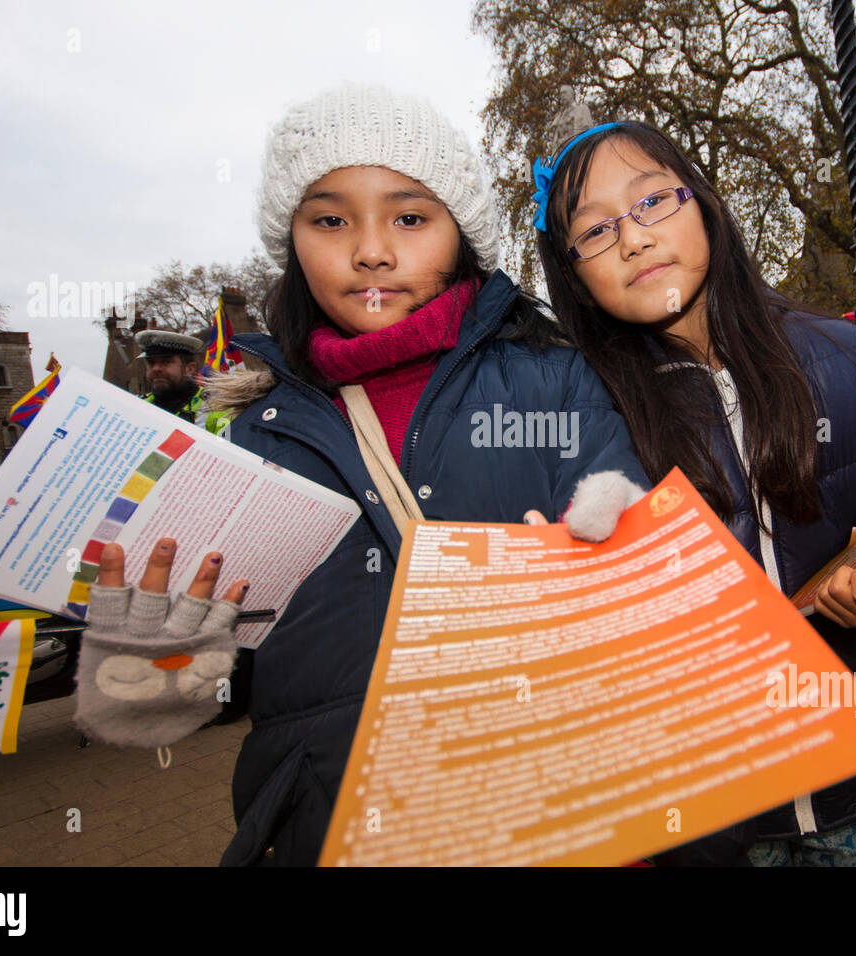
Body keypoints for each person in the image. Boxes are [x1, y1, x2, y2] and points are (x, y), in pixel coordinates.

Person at [73, 84, 649, 866]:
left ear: (460, 235)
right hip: (330, 826)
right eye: (330, 218)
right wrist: (158, 668)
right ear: (292, 239)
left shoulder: (559, 383)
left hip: (553, 816)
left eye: (409, 217)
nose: (371, 250)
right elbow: (230, 683)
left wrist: (617, 568)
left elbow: (640, 621)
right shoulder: (254, 435)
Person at [529, 119, 856, 866]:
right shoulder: (583, 412)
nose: (633, 239)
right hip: (701, 821)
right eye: (595, 231)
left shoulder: (844, 355)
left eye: (651, 202)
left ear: (703, 204)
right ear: (573, 275)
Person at [135, 329, 231, 435]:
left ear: (189, 369)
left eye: (166, 362)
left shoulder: (217, 409)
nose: (156, 368)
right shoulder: (135, 406)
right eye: (151, 363)